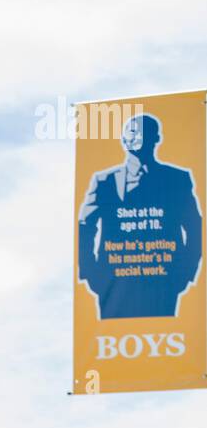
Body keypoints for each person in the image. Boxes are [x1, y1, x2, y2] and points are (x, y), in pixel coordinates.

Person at [78, 113, 202, 320]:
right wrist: (91, 272)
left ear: (156, 138)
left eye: (143, 132)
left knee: (162, 342)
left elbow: (194, 226)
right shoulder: (104, 180)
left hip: (163, 278)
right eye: (131, 132)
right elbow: (85, 224)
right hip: (113, 281)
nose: (136, 137)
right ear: (123, 139)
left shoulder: (176, 179)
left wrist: (185, 272)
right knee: (113, 342)